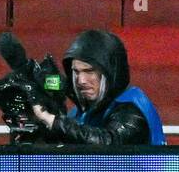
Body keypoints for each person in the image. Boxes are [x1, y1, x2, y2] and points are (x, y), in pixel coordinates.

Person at [31, 29, 165, 145]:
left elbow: (108, 143)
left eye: (89, 71)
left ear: (110, 73)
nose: (81, 80)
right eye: (76, 72)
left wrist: (52, 121)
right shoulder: (82, 113)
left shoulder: (131, 109)